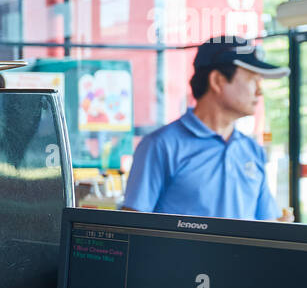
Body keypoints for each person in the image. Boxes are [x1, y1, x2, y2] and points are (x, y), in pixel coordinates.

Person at [123, 36, 291, 221]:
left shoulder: (252, 150)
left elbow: (266, 223)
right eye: (253, 81)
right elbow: (132, 226)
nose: (259, 92)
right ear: (217, 81)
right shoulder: (161, 146)